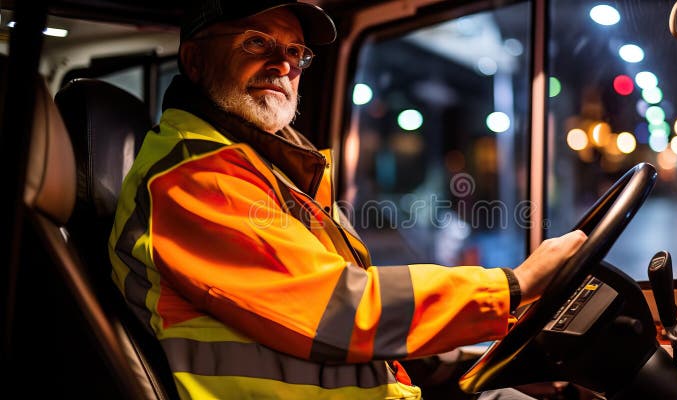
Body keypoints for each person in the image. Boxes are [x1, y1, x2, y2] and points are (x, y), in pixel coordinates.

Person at [107, 1, 587, 399]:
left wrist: (466, 351)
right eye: (257, 42)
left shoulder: (267, 167)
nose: (285, 64)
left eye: (296, 51)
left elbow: (343, 305)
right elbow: (338, 307)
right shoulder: (193, 175)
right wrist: (514, 285)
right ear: (194, 60)